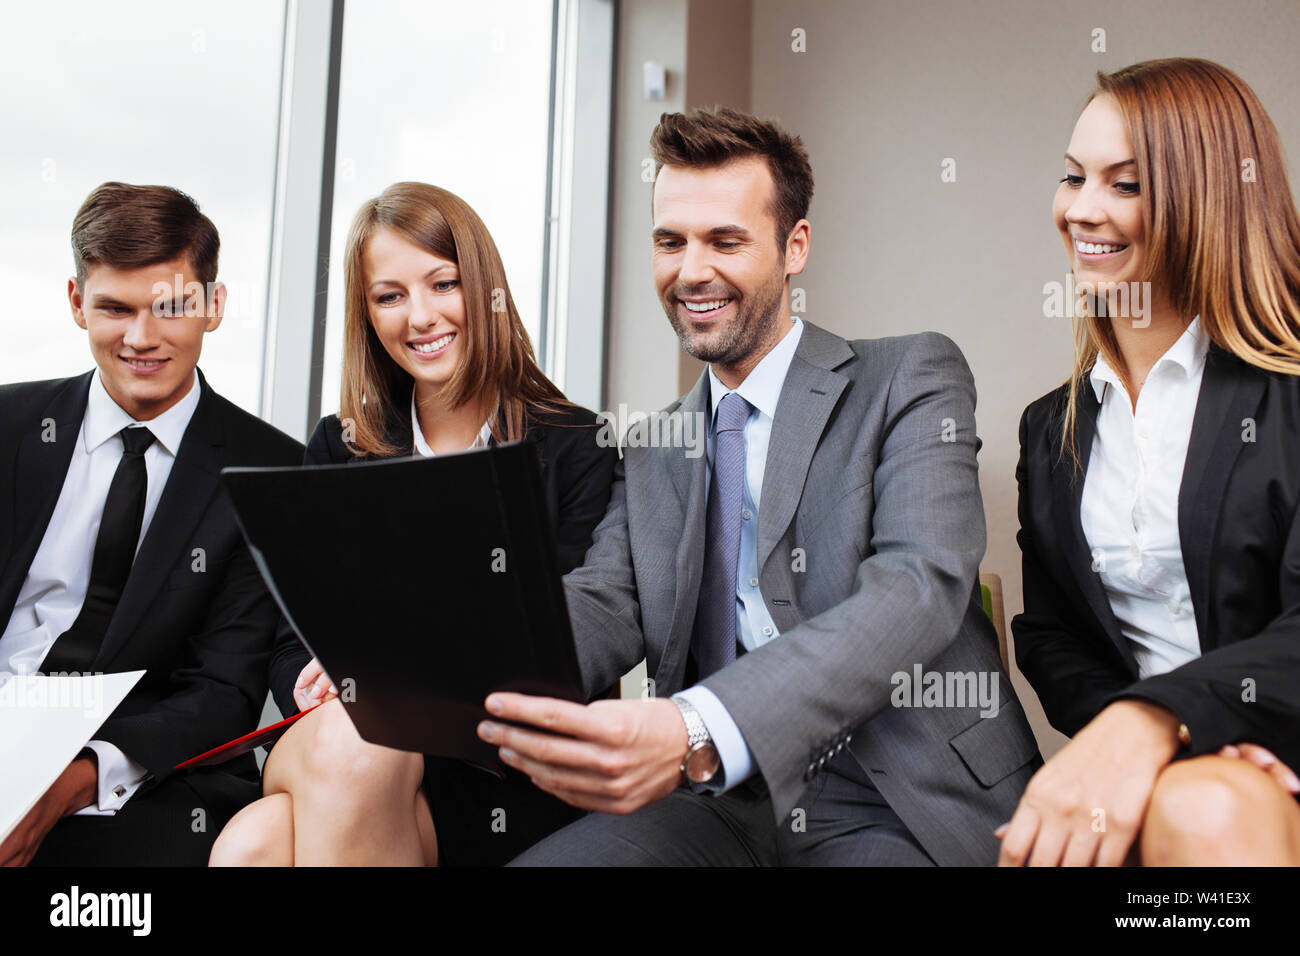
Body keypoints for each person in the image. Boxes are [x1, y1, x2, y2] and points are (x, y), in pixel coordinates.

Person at [477, 106, 1041, 867]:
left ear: (794, 246)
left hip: (895, 795)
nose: (692, 270)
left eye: (726, 240)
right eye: (670, 241)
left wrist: (698, 727)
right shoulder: (652, 445)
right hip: (714, 804)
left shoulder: (908, 376)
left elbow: (918, 586)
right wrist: (423, 650)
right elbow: (602, 603)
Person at [209, 182, 616, 866]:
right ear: (367, 314)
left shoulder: (577, 445)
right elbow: (286, 643)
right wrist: (323, 672)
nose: (419, 317)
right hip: (349, 739)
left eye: (443, 284)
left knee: (253, 845)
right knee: (357, 737)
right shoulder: (339, 446)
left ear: (483, 289)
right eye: (389, 296)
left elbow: (584, 642)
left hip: (504, 773)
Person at [1005, 57, 1300, 866]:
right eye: (1073, 177)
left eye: (1125, 185)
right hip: (1148, 770)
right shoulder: (1050, 429)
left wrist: (1170, 717)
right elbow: (1051, 637)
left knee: (1204, 811)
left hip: (1279, 755)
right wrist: (1140, 737)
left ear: (1206, 197)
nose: (1081, 210)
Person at [0, 182, 304, 866]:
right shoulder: (7, 428)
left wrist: (65, 785)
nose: (142, 338)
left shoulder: (272, 472)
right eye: (115, 308)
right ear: (77, 304)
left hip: (144, 771)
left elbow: (222, 690)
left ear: (213, 306)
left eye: (171, 307)